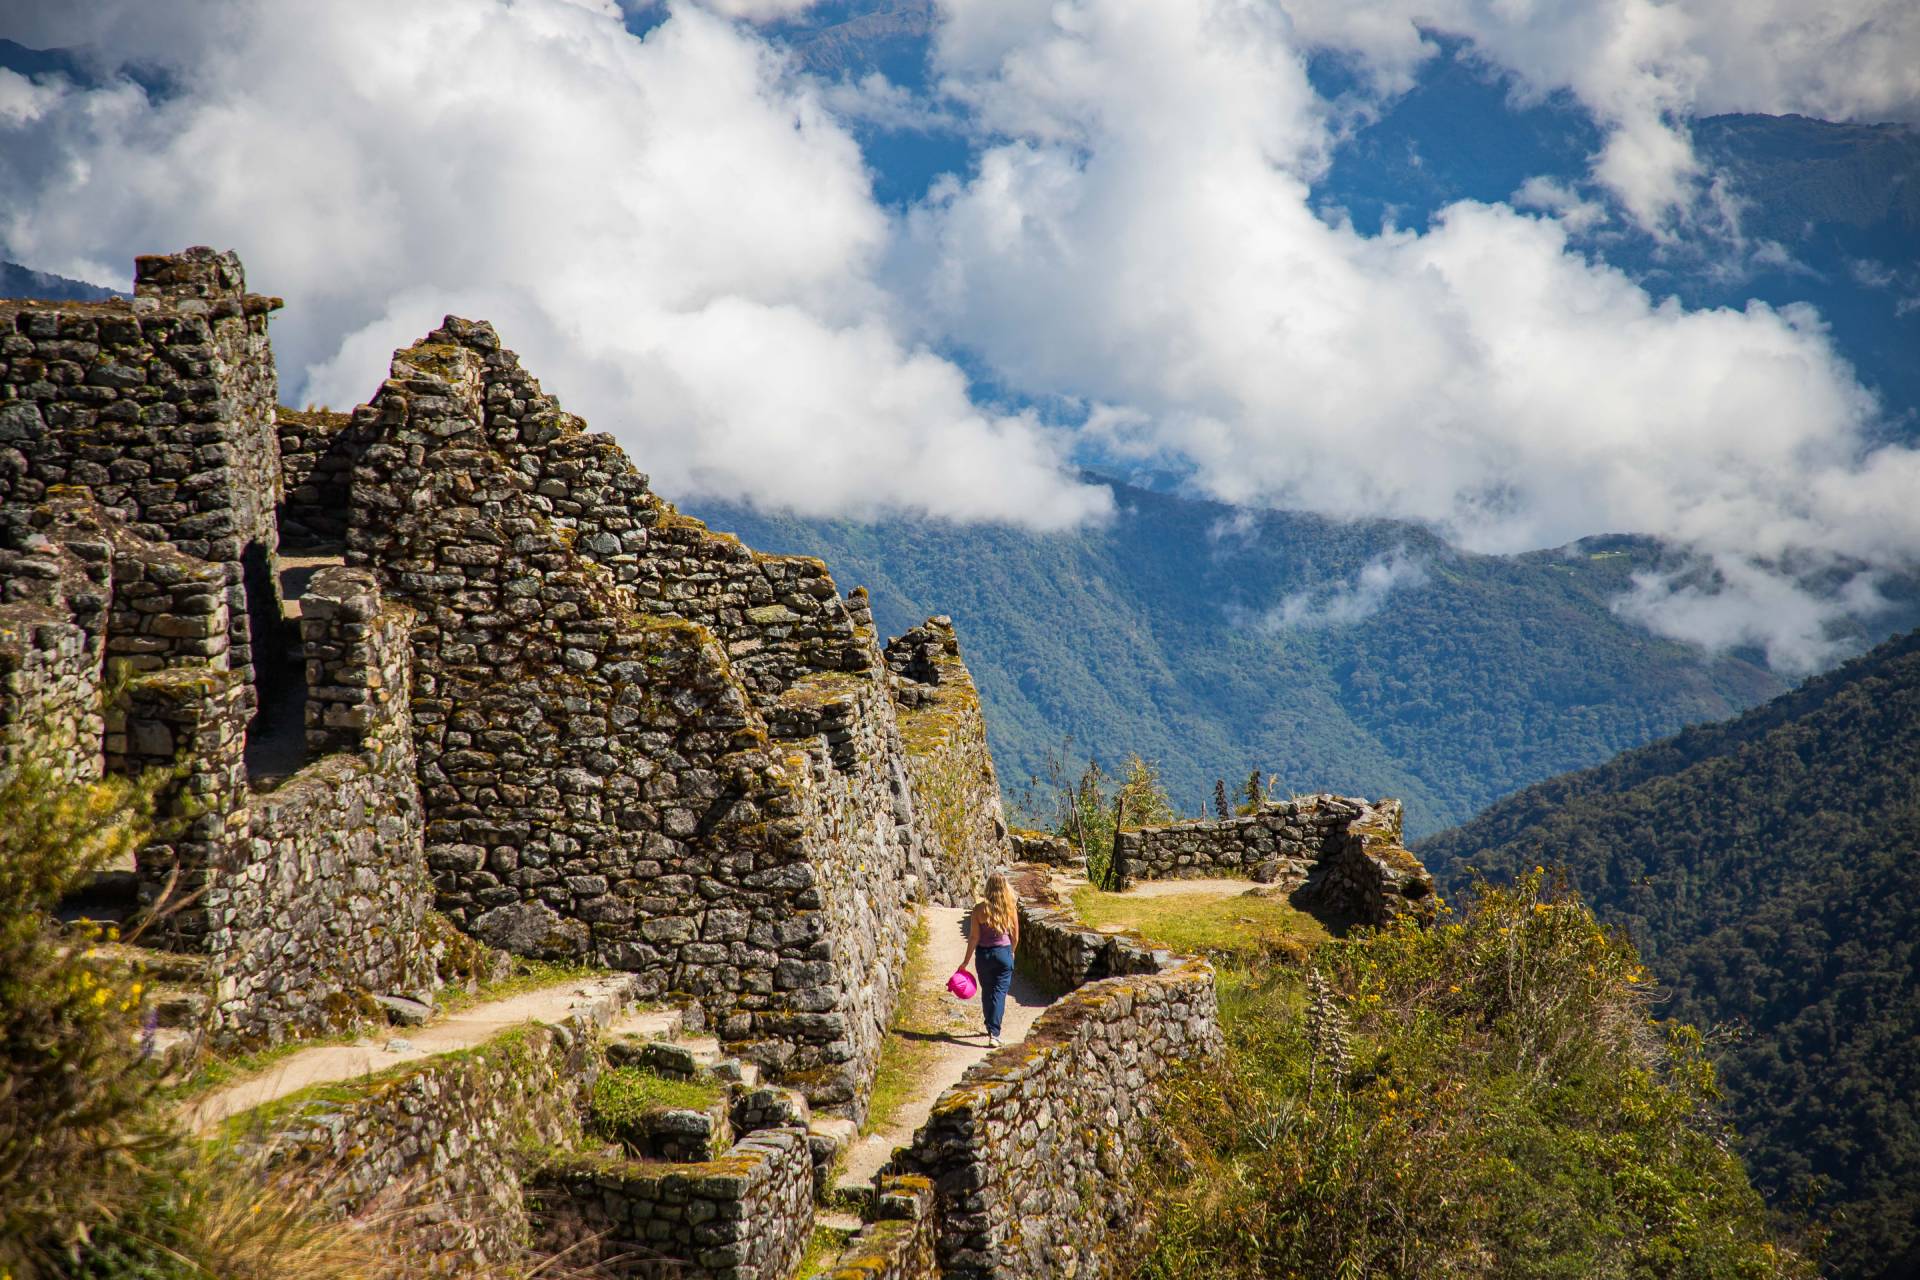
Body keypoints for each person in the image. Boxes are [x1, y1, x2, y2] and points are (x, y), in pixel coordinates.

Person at [959, 870, 1020, 1047]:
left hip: (984, 956)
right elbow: (1015, 936)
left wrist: (965, 962)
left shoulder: (979, 909)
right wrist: (1012, 952)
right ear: (1005, 888)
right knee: (999, 993)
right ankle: (994, 1032)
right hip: (1003, 954)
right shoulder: (1010, 908)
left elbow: (973, 938)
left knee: (987, 991)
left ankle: (990, 1025)